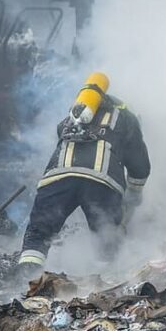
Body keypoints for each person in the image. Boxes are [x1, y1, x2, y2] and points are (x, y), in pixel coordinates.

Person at [15, 72, 151, 283]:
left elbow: (60, 132)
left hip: (58, 179)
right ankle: (103, 285)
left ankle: (24, 283)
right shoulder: (126, 119)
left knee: (38, 234)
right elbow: (140, 165)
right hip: (102, 183)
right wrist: (135, 195)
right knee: (107, 239)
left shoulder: (74, 115)